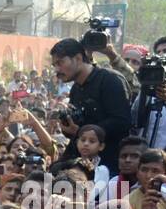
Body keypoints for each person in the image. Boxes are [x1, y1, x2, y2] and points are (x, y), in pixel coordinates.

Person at [51, 37, 132, 174]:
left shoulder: (109, 80)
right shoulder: (76, 89)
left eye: (60, 63)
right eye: (55, 65)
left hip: (108, 164)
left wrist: (82, 131)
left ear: (77, 58)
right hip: (83, 160)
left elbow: (122, 121)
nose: (57, 70)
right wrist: (67, 126)